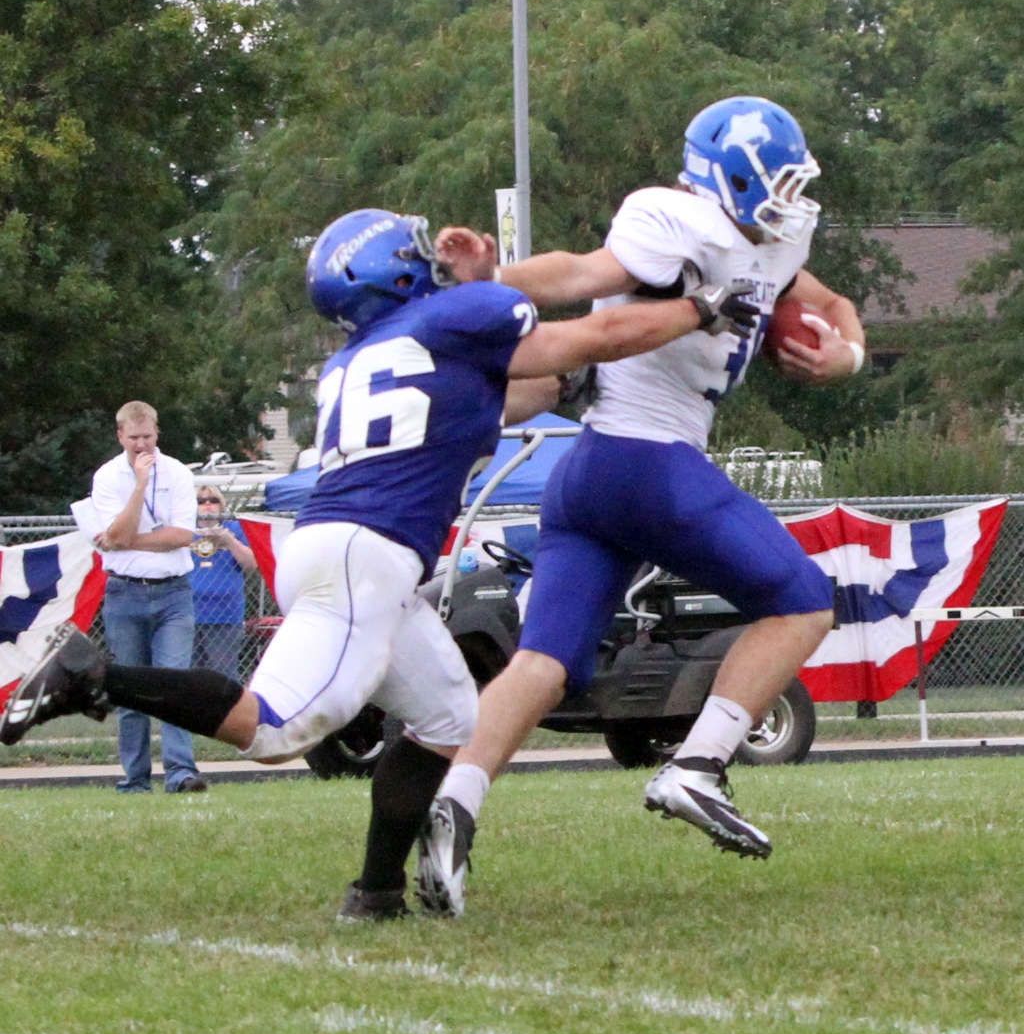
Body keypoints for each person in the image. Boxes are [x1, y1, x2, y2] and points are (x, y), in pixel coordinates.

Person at [0, 206, 758, 920]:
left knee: (447, 716)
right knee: (271, 731)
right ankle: (92, 676)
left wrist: (565, 387)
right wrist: (700, 309)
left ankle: (377, 891)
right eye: (411, 247)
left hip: (342, 549)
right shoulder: (457, 317)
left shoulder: (362, 359)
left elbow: (494, 401)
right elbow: (593, 338)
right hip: (366, 558)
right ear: (394, 272)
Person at [416, 95, 867, 916]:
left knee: (544, 662)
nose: (791, 204)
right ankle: (697, 765)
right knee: (803, 600)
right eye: (778, 185)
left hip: (586, 475)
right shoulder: (674, 221)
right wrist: (492, 281)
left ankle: (454, 803)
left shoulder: (775, 237)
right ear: (725, 179)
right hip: (648, 460)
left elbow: (830, 306)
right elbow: (582, 273)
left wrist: (848, 356)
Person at [90, 400, 207, 794]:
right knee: (131, 691)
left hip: (173, 593)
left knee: (173, 685)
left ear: (158, 433)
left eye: (149, 437)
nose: (142, 445)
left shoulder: (177, 472)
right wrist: (139, 484)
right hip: (125, 595)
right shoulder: (107, 477)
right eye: (134, 438)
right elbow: (113, 529)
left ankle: (180, 773)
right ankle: (135, 778)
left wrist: (126, 541)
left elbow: (181, 536)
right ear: (120, 435)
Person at [191, 485, 257, 683]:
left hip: (225, 612)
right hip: (186, 612)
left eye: (213, 500)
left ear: (222, 505)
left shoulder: (235, 529)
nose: (208, 505)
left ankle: (229, 714)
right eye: (201, 501)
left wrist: (229, 541)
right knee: (190, 676)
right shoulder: (184, 531)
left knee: (224, 676)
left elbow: (251, 564)